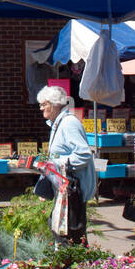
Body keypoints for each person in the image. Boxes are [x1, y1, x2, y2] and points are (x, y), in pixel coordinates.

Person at [36, 84, 96, 243]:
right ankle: (72, 265)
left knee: (71, 236)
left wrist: (58, 163)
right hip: (64, 190)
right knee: (60, 230)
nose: (41, 108)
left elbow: (84, 154)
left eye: (44, 104)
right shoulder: (57, 124)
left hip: (73, 191)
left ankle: (78, 267)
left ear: (55, 104)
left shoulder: (68, 124)